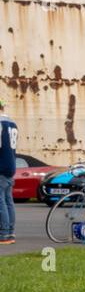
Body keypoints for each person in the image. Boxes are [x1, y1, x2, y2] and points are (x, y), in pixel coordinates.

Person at [0, 98, 16, 245]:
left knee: (1, 202)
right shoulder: (12, 123)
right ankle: (10, 231)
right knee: (8, 201)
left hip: (1, 166)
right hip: (11, 166)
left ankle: (3, 235)